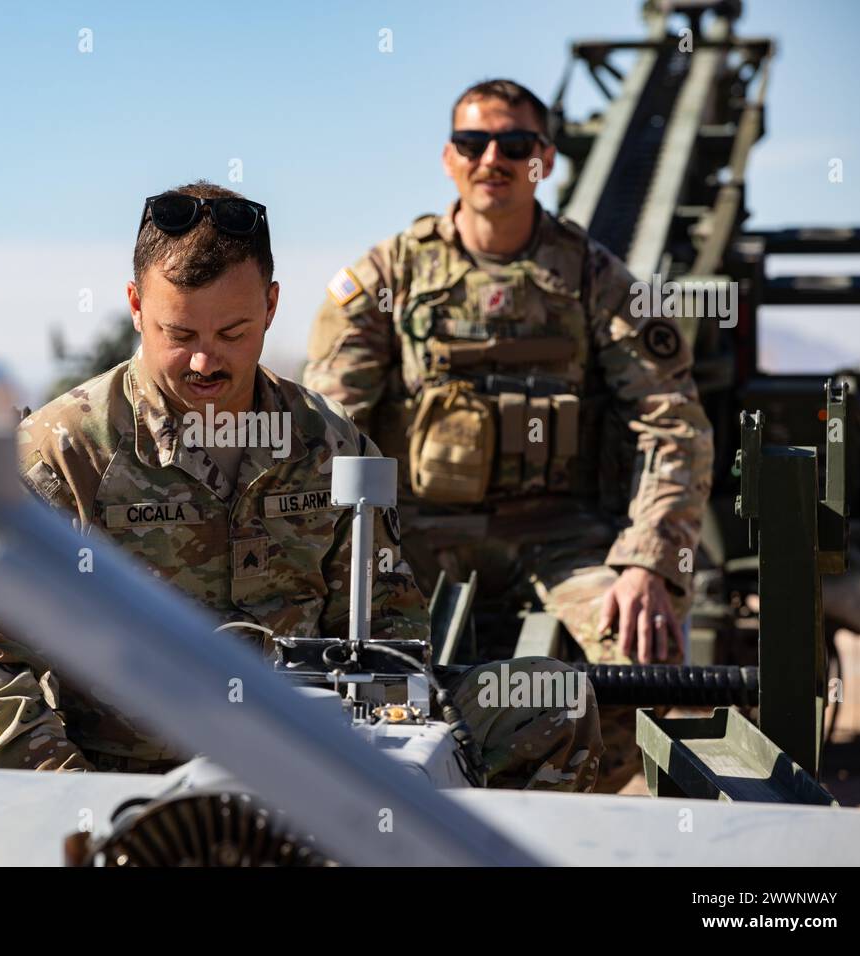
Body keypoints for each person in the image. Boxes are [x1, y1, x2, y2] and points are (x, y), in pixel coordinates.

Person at [0, 180, 601, 791]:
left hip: (311, 763)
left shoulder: (329, 444)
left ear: (272, 306)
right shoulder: (58, 455)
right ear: (135, 305)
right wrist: (78, 804)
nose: (203, 360)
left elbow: (390, 632)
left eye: (232, 332)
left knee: (550, 702)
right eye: (178, 333)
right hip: (131, 784)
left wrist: (382, 762)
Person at [302, 80, 713, 791]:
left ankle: (547, 796)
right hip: (415, 531)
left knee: (642, 660)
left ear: (542, 159)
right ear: (449, 157)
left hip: (557, 534)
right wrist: (327, 557)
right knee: (339, 660)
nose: (492, 158)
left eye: (515, 144)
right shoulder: (389, 276)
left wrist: (647, 563)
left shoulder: (597, 279)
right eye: (473, 143)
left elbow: (673, 422)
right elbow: (331, 428)